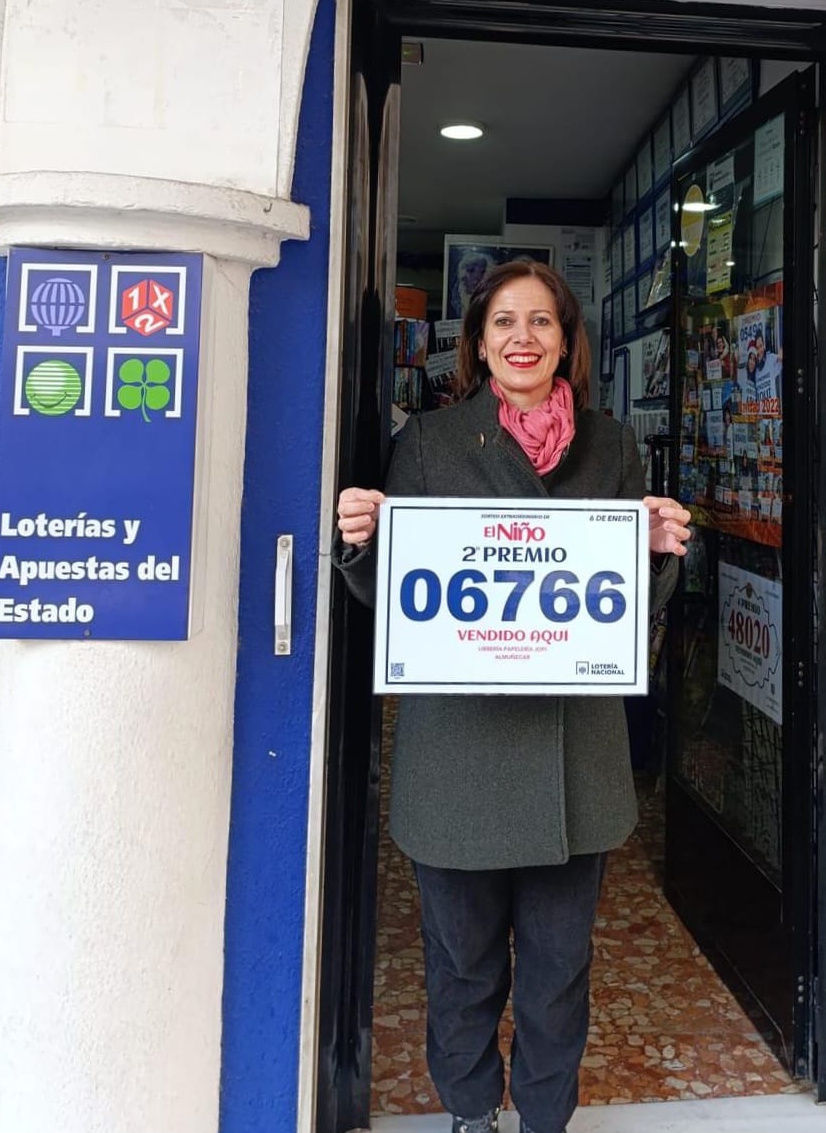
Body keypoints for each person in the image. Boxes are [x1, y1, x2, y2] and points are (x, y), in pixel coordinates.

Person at [334, 261, 691, 1133]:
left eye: (540, 322)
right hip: (459, 751)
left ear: (566, 340)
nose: (521, 338)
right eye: (503, 322)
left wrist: (657, 552)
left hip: (574, 754)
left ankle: (541, 1118)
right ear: (479, 340)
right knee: (461, 965)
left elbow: (625, 607)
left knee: (559, 966)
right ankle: (467, 1112)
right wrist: (361, 541)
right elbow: (397, 598)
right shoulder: (427, 440)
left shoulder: (612, 446)